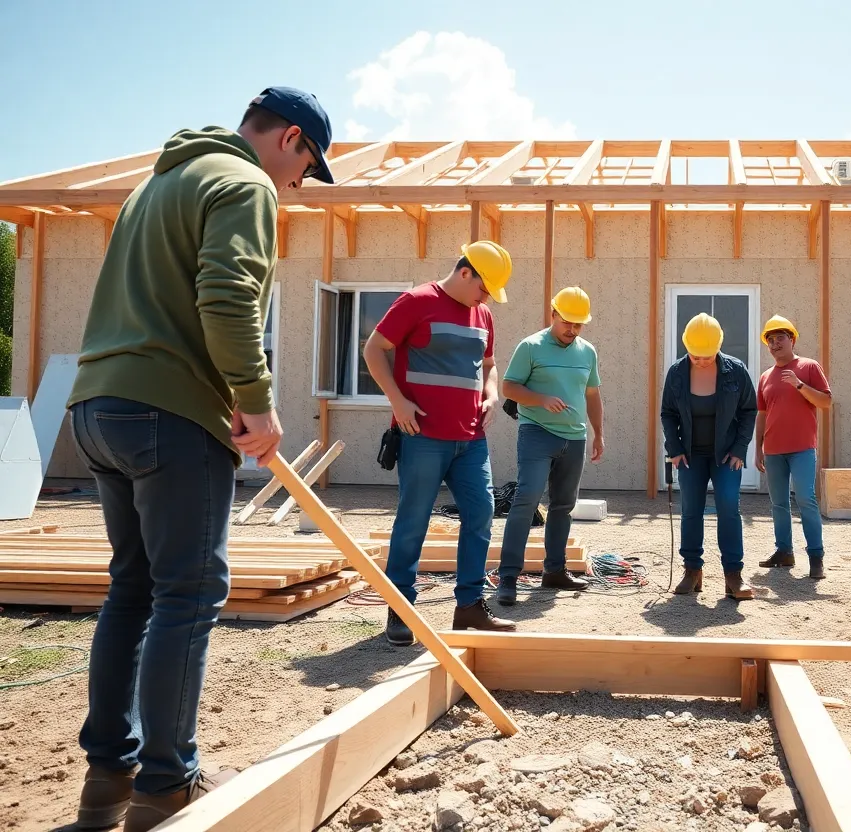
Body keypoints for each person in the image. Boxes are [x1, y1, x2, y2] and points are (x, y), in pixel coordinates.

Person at [63, 87, 333, 832]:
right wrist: (255, 397)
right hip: (171, 412)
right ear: (289, 140)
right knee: (187, 594)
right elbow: (227, 294)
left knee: (133, 592)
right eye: (307, 168)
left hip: (98, 406)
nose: (298, 185)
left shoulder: (157, 183)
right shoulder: (245, 183)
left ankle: (107, 780)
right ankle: (165, 785)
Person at [363, 240, 519, 646]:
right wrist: (398, 403)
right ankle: (400, 609)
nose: (486, 299)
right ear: (465, 272)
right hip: (422, 437)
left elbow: (488, 364)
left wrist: (491, 392)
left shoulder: (482, 313)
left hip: (471, 438)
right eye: (484, 288)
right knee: (413, 521)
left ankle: (469, 606)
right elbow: (374, 349)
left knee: (482, 514)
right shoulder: (416, 301)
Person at [495, 287, 604, 604]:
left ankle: (554, 572)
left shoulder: (587, 352)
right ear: (553, 314)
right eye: (567, 322)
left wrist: (599, 433)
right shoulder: (530, 347)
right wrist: (542, 399)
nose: (572, 329)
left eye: (578, 324)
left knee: (563, 505)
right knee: (526, 500)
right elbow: (509, 387)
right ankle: (508, 577)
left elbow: (593, 395)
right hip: (537, 432)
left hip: (575, 437)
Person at [660, 313, 758, 599]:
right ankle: (692, 570)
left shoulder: (736, 371)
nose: (701, 360)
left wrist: (740, 448)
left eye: (707, 356)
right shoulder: (677, 373)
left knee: (729, 508)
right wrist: (674, 448)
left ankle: (733, 575)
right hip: (690, 456)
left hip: (726, 455)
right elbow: (668, 413)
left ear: (718, 348)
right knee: (691, 510)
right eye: (695, 355)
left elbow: (748, 411)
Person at [753, 315, 833, 578]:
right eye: (771, 340)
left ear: (792, 340)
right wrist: (758, 448)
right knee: (778, 503)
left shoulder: (809, 367)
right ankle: (784, 552)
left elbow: (825, 401)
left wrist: (799, 385)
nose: (775, 344)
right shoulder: (765, 377)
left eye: (780, 338)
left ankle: (816, 557)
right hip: (773, 450)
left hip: (802, 448)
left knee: (805, 499)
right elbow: (762, 414)